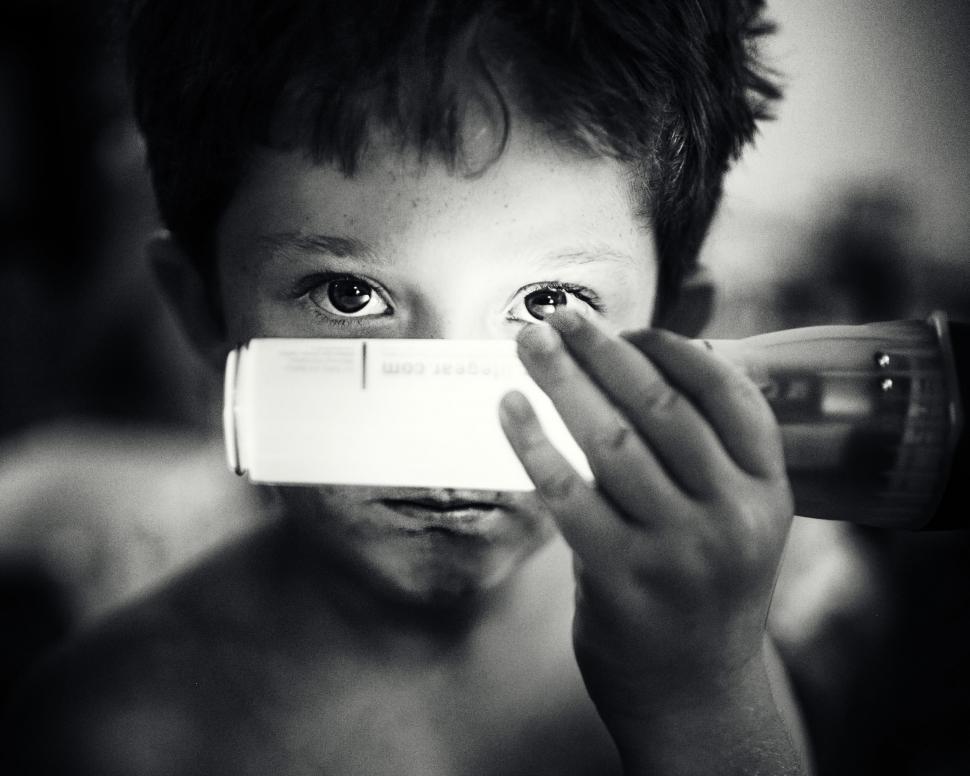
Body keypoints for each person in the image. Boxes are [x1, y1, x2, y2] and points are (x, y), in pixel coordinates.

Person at [3, 1, 840, 773]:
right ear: (203, 311)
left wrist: (702, 706)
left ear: (671, 332)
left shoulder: (699, 652)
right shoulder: (112, 731)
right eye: (348, 296)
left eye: (547, 303)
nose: (446, 432)